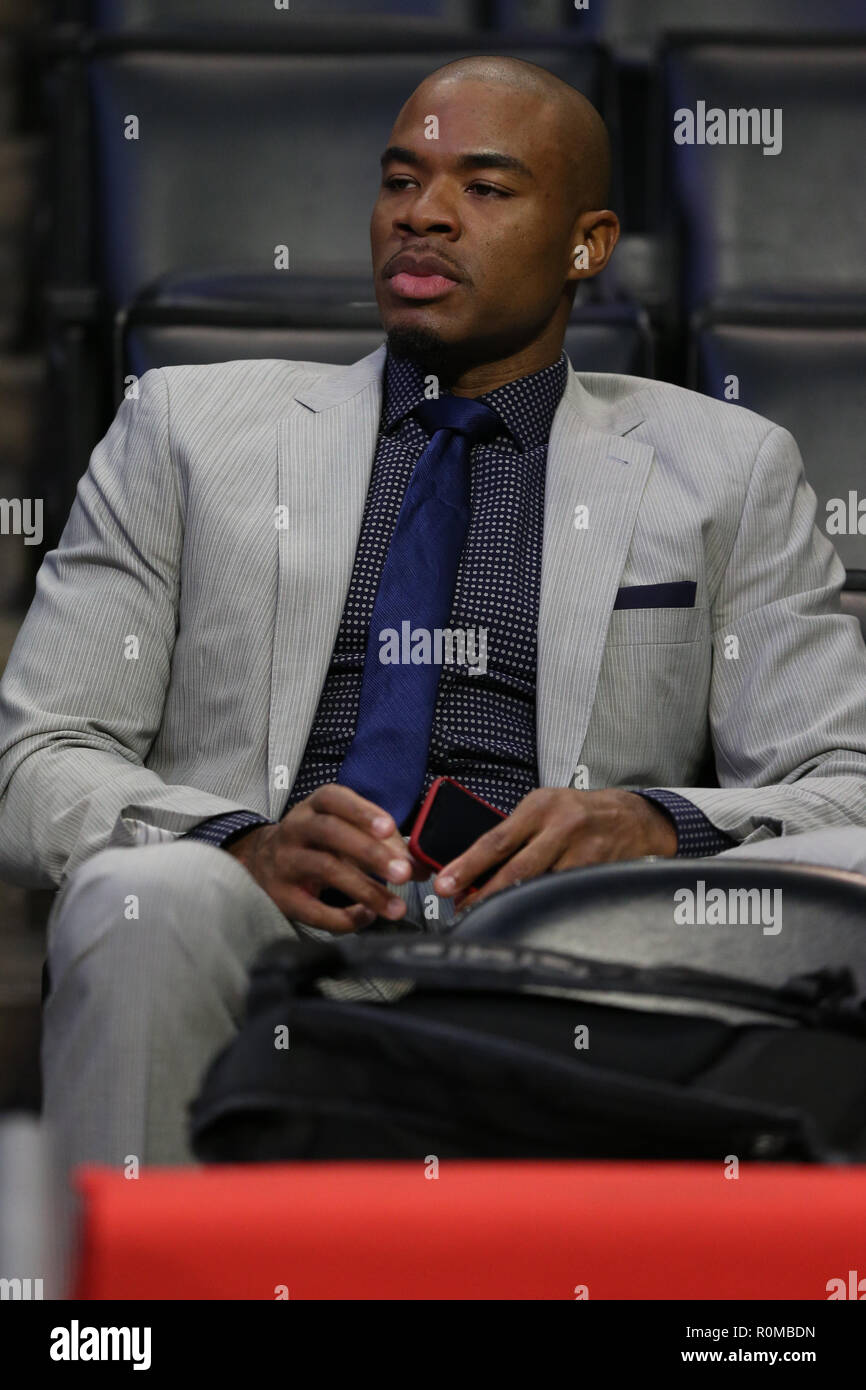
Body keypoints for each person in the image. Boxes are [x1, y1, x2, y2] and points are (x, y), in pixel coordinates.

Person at [1, 56, 865, 1167]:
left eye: (485, 189)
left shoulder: (726, 467)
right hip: (258, 918)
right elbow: (34, 762)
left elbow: (839, 783)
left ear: (585, 245)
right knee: (143, 893)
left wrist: (651, 823)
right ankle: (124, 1331)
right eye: (400, 180)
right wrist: (240, 841)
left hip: (580, 936)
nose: (423, 215)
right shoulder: (186, 431)